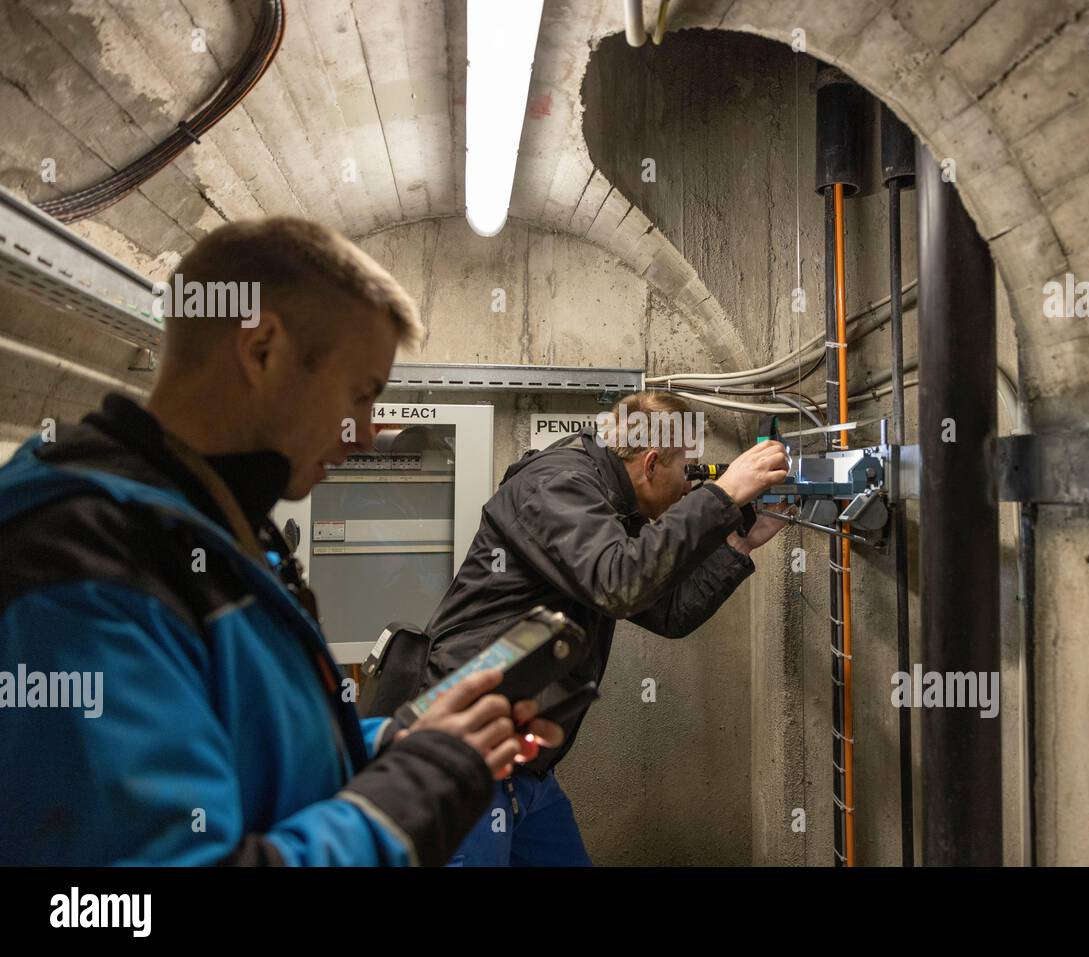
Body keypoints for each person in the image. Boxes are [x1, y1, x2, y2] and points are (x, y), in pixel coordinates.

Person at [0, 217, 560, 866]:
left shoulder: (216, 529)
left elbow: (261, 765)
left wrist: (404, 740)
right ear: (263, 349)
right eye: (361, 395)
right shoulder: (83, 564)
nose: (365, 435)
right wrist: (425, 781)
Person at [421, 390, 790, 865]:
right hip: (465, 755)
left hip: (525, 771)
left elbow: (667, 611)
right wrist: (722, 495)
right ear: (651, 463)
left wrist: (738, 544)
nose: (690, 485)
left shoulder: (608, 506)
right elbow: (621, 583)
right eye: (687, 470)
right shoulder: (557, 485)